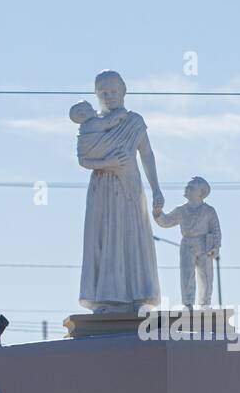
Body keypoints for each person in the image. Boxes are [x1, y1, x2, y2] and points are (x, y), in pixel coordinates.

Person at [74, 71, 163, 314]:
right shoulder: (91, 126)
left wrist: (156, 189)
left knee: (131, 236)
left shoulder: (134, 122)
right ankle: (106, 298)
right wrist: (108, 162)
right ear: (96, 95)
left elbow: (146, 154)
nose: (109, 96)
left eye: (113, 91)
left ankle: (137, 296)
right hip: (102, 188)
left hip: (130, 188)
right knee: (105, 238)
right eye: (103, 92)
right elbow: (84, 159)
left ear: (124, 91)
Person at [154, 177, 220, 308]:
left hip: (204, 243)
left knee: (206, 275)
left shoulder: (209, 211)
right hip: (187, 244)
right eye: (187, 187)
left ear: (200, 193)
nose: (186, 189)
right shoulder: (181, 210)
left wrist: (216, 247)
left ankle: (205, 302)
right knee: (186, 274)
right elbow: (166, 221)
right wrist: (158, 213)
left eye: (191, 188)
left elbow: (216, 230)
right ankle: (188, 302)